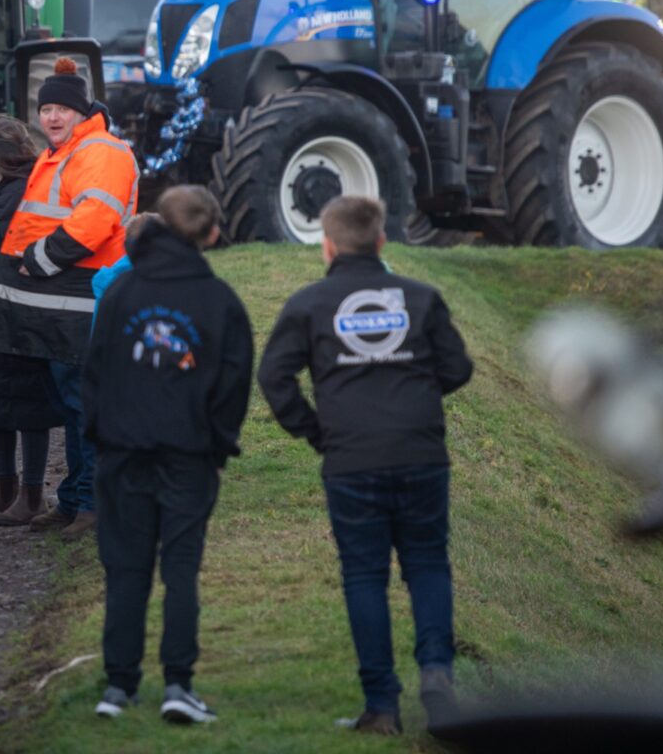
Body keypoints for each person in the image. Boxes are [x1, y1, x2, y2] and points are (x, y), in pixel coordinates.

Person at [257, 195, 474, 736]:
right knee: (427, 565)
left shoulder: (309, 304)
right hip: (421, 454)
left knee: (364, 577)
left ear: (326, 245)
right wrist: (417, 394)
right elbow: (458, 368)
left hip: (350, 460)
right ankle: (437, 677)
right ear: (381, 242)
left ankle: (381, 707)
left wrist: (314, 431)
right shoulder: (421, 298)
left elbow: (273, 378)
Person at [83, 186, 253, 724]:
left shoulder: (120, 292)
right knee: (181, 570)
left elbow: (93, 369)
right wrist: (218, 441)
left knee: (126, 569)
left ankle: (118, 686)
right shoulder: (221, 299)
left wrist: (100, 434)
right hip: (188, 454)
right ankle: (178, 684)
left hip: (123, 451)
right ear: (212, 233)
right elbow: (234, 382)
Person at [0, 58, 139, 538]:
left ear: (81, 111)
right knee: (71, 408)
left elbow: (93, 221)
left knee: (86, 407)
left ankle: (93, 503)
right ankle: (73, 500)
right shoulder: (62, 153)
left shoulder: (100, 152)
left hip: (83, 301)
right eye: (45, 108)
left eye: (61, 110)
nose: (51, 117)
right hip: (58, 305)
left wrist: (39, 259)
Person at [0, 115, 66, 527]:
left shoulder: (23, 190)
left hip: (18, 310)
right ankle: (4, 489)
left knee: (27, 404)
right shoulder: (10, 188)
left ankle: (32, 494)